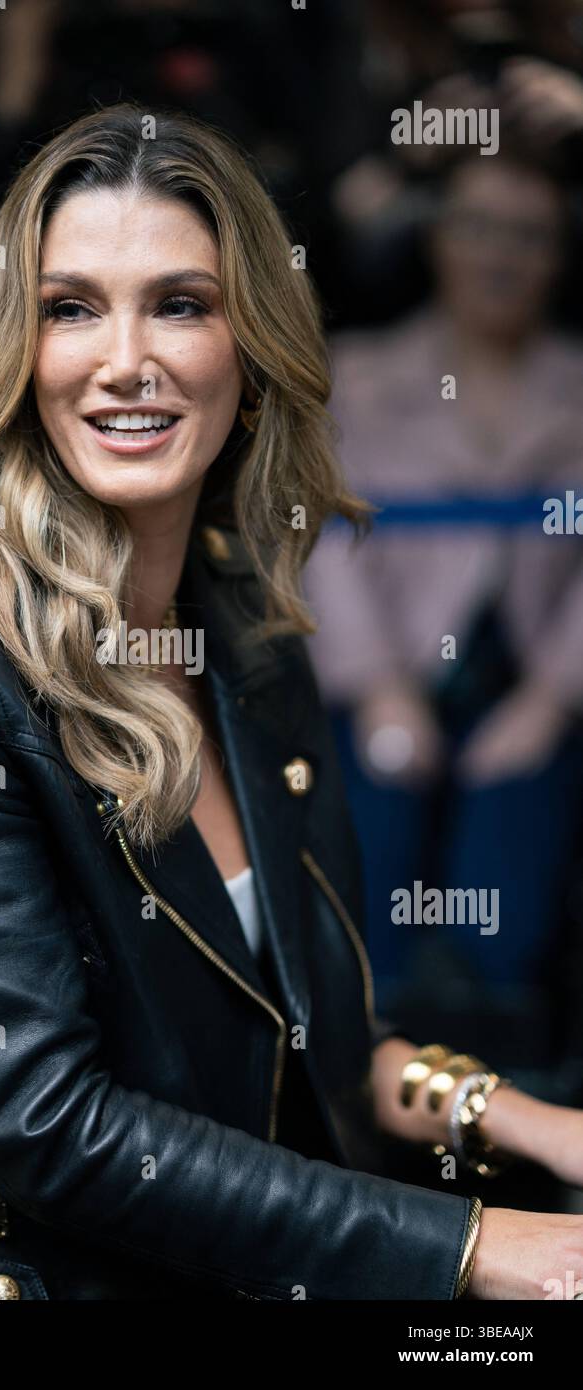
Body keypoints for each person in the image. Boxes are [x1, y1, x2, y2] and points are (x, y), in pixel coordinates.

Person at [0, 105, 583, 1302]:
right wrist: (471, 1246)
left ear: (249, 350)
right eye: (70, 308)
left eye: (178, 304)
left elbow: (320, 1033)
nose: (124, 360)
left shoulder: (245, 624)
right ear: (16, 352)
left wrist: (531, 1123)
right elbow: (49, 1124)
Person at [305, 152, 583, 1064]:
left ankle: (509, 1096)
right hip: (383, 676)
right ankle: (372, 1088)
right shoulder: (359, 372)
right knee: (374, 852)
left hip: (532, 682)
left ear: (560, 254)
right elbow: (318, 538)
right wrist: (379, 688)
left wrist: (552, 698)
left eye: (530, 236)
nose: (501, 256)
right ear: (436, 239)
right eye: (479, 228)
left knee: (508, 880)